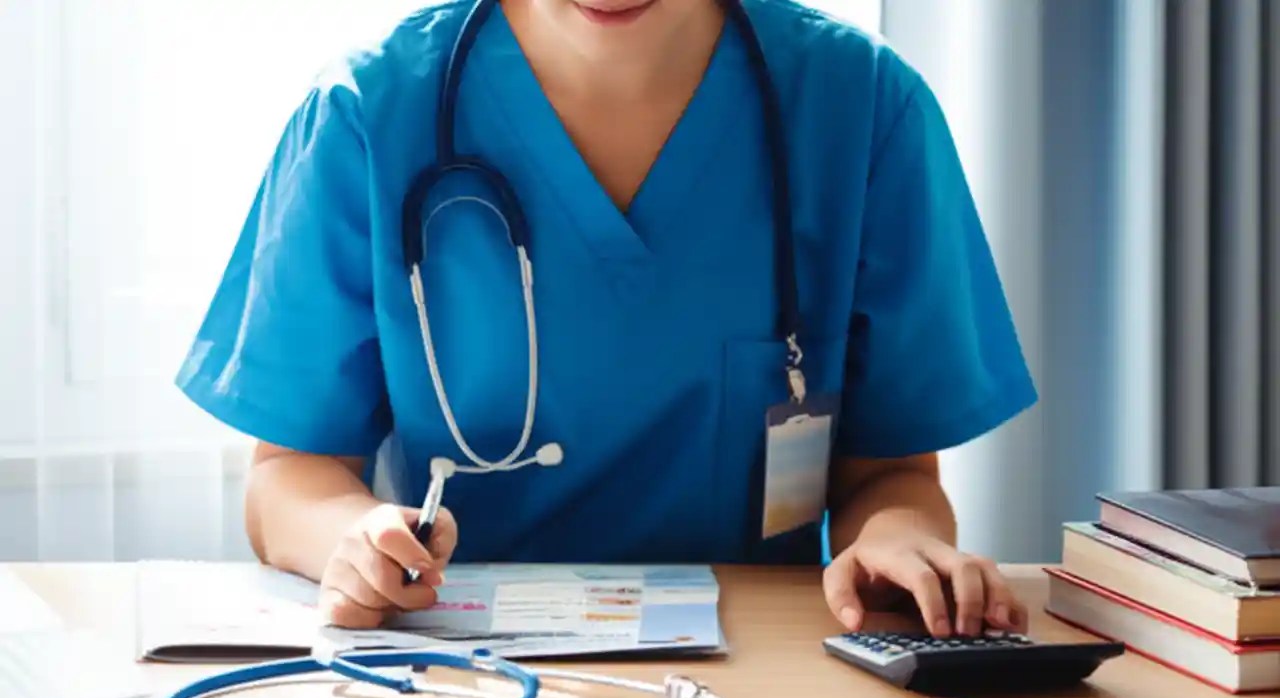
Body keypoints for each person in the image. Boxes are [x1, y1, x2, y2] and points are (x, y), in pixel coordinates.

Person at [177, 0, 1038, 638]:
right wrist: (351, 539)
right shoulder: (366, 112)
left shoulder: (863, 108)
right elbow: (288, 475)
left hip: (761, 667)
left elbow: (890, 476)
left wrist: (897, 540)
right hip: (456, 667)